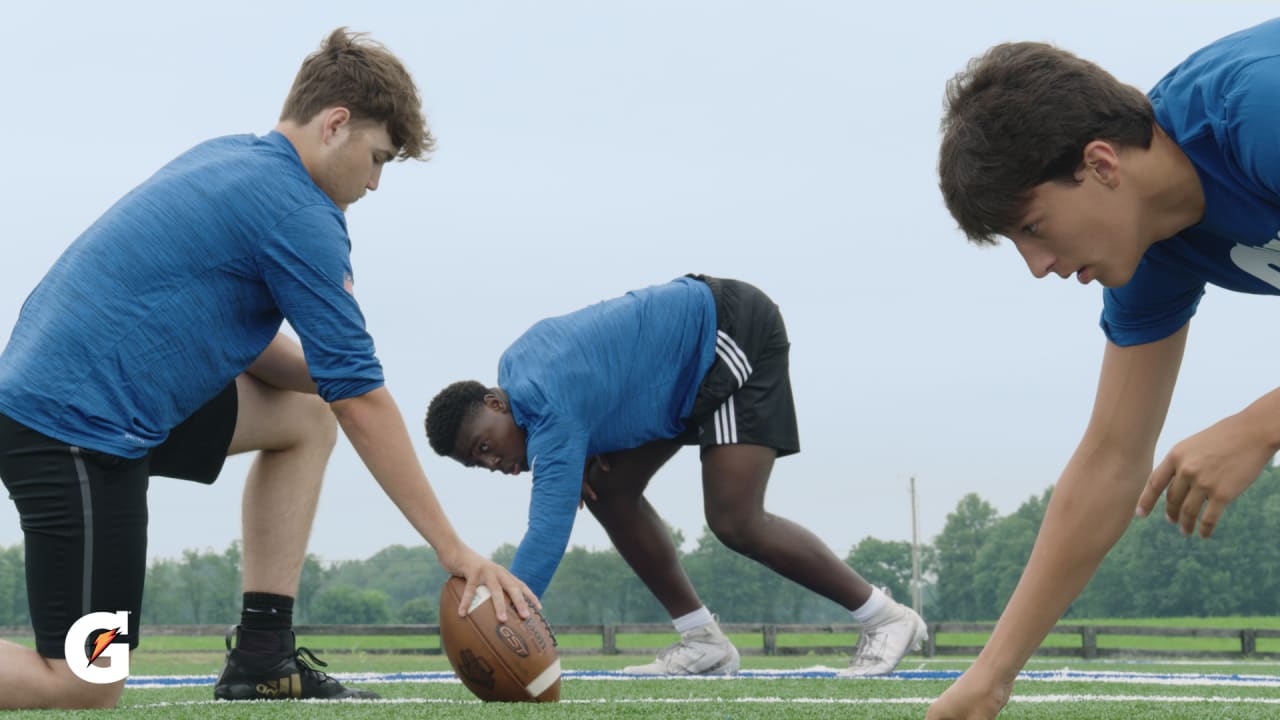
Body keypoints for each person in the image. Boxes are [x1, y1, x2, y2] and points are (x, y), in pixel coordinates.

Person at [0, 28, 535, 710]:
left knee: (304, 416)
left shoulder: (231, 159)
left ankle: (262, 655)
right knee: (84, 679)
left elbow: (243, 345)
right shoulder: (298, 212)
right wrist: (455, 551)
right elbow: (363, 406)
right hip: (71, 436)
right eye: (378, 159)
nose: (374, 182)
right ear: (336, 124)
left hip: (104, 407)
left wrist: (338, 376)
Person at [930, 18, 1280, 719]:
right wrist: (990, 678)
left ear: (1101, 164)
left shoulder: (1260, 110)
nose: (1039, 268)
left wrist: (1261, 424)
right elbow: (1112, 458)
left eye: (1032, 228)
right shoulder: (1152, 246)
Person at [425, 274, 927, 677]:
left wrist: (503, 618)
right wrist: (581, 447)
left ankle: (884, 617)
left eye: (486, 446)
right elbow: (589, 382)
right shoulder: (520, 374)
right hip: (672, 378)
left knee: (735, 520)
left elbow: (548, 531)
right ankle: (703, 640)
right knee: (609, 492)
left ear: (495, 402)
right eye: (480, 464)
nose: (496, 464)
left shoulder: (551, 413)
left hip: (727, 335)